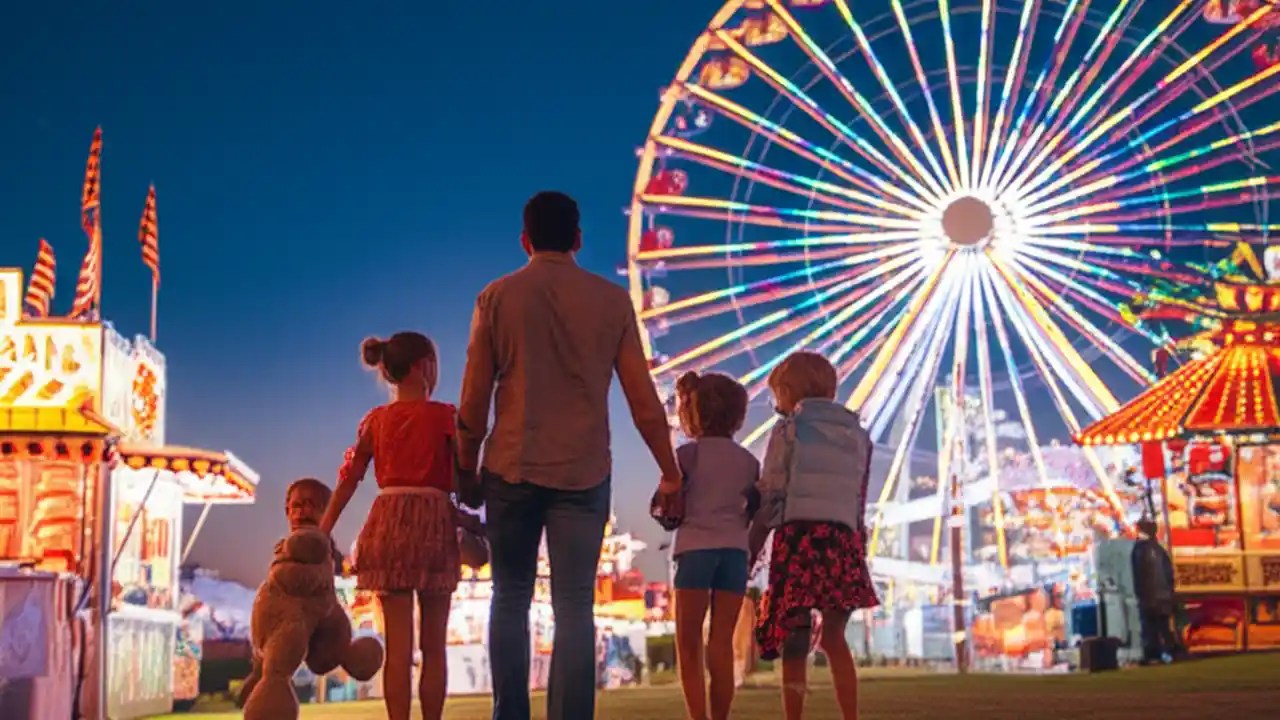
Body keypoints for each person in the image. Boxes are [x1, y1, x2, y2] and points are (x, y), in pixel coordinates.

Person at [457, 190, 681, 720]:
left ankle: (509, 712)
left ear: (525, 239)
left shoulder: (496, 297)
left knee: (509, 597)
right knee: (575, 605)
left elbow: (473, 398)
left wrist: (466, 466)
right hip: (583, 472)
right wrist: (669, 472)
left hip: (510, 465)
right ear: (579, 239)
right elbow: (643, 401)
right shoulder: (610, 301)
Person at [318, 333, 459, 720]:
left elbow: (349, 479)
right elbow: (465, 478)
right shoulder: (446, 417)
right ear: (423, 365)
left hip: (387, 523)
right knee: (434, 647)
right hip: (433, 523)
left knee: (398, 649)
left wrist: (323, 529)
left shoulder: (376, 421)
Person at [749, 352, 878, 720]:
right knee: (835, 638)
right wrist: (857, 541)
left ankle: (794, 716)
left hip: (799, 538)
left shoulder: (788, 430)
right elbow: (859, 495)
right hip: (842, 540)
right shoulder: (859, 437)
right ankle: (850, 715)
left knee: (795, 638)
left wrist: (755, 543)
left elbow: (773, 491)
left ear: (788, 393)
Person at [669, 371, 759, 720]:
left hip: (696, 549)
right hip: (734, 553)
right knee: (721, 643)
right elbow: (755, 508)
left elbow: (668, 499)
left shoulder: (687, 456)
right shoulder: (749, 462)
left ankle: (698, 717)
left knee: (688, 642)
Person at [1132, 518, 1178, 664]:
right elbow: (1169, 573)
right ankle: (1171, 652)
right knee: (1163, 627)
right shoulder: (1158, 549)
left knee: (1150, 628)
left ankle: (1154, 655)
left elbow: (1139, 575)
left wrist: (1141, 594)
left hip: (1149, 596)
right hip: (1162, 595)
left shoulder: (1140, 549)